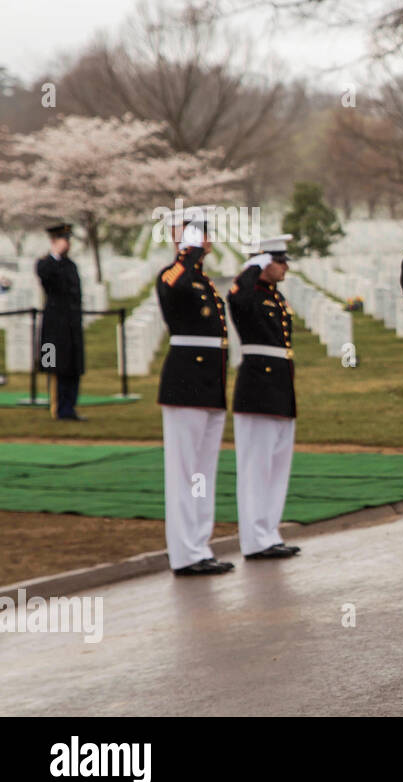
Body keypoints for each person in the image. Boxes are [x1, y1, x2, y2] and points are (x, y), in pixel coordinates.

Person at [156, 207, 234, 576]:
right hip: (185, 385)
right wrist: (186, 253)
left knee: (203, 472)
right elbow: (174, 283)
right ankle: (184, 553)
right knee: (184, 471)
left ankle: (199, 546)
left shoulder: (204, 281)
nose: (206, 239)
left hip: (209, 387)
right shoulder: (176, 274)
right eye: (197, 232)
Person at [227, 234, 302, 562]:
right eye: (279, 260)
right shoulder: (249, 294)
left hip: (279, 386)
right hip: (257, 386)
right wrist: (250, 269)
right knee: (256, 467)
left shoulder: (273, 295)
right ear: (263, 263)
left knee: (275, 466)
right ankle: (255, 539)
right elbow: (237, 301)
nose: (285, 266)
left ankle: (269, 532)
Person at [36, 223, 85, 421]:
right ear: (55, 241)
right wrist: (54, 254)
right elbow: (46, 277)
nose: (68, 244)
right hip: (55, 327)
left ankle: (70, 407)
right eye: (64, 240)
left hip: (71, 325)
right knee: (56, 366)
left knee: (73, 367)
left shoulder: (70, 265)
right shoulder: (46, 264)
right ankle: (58, 409)